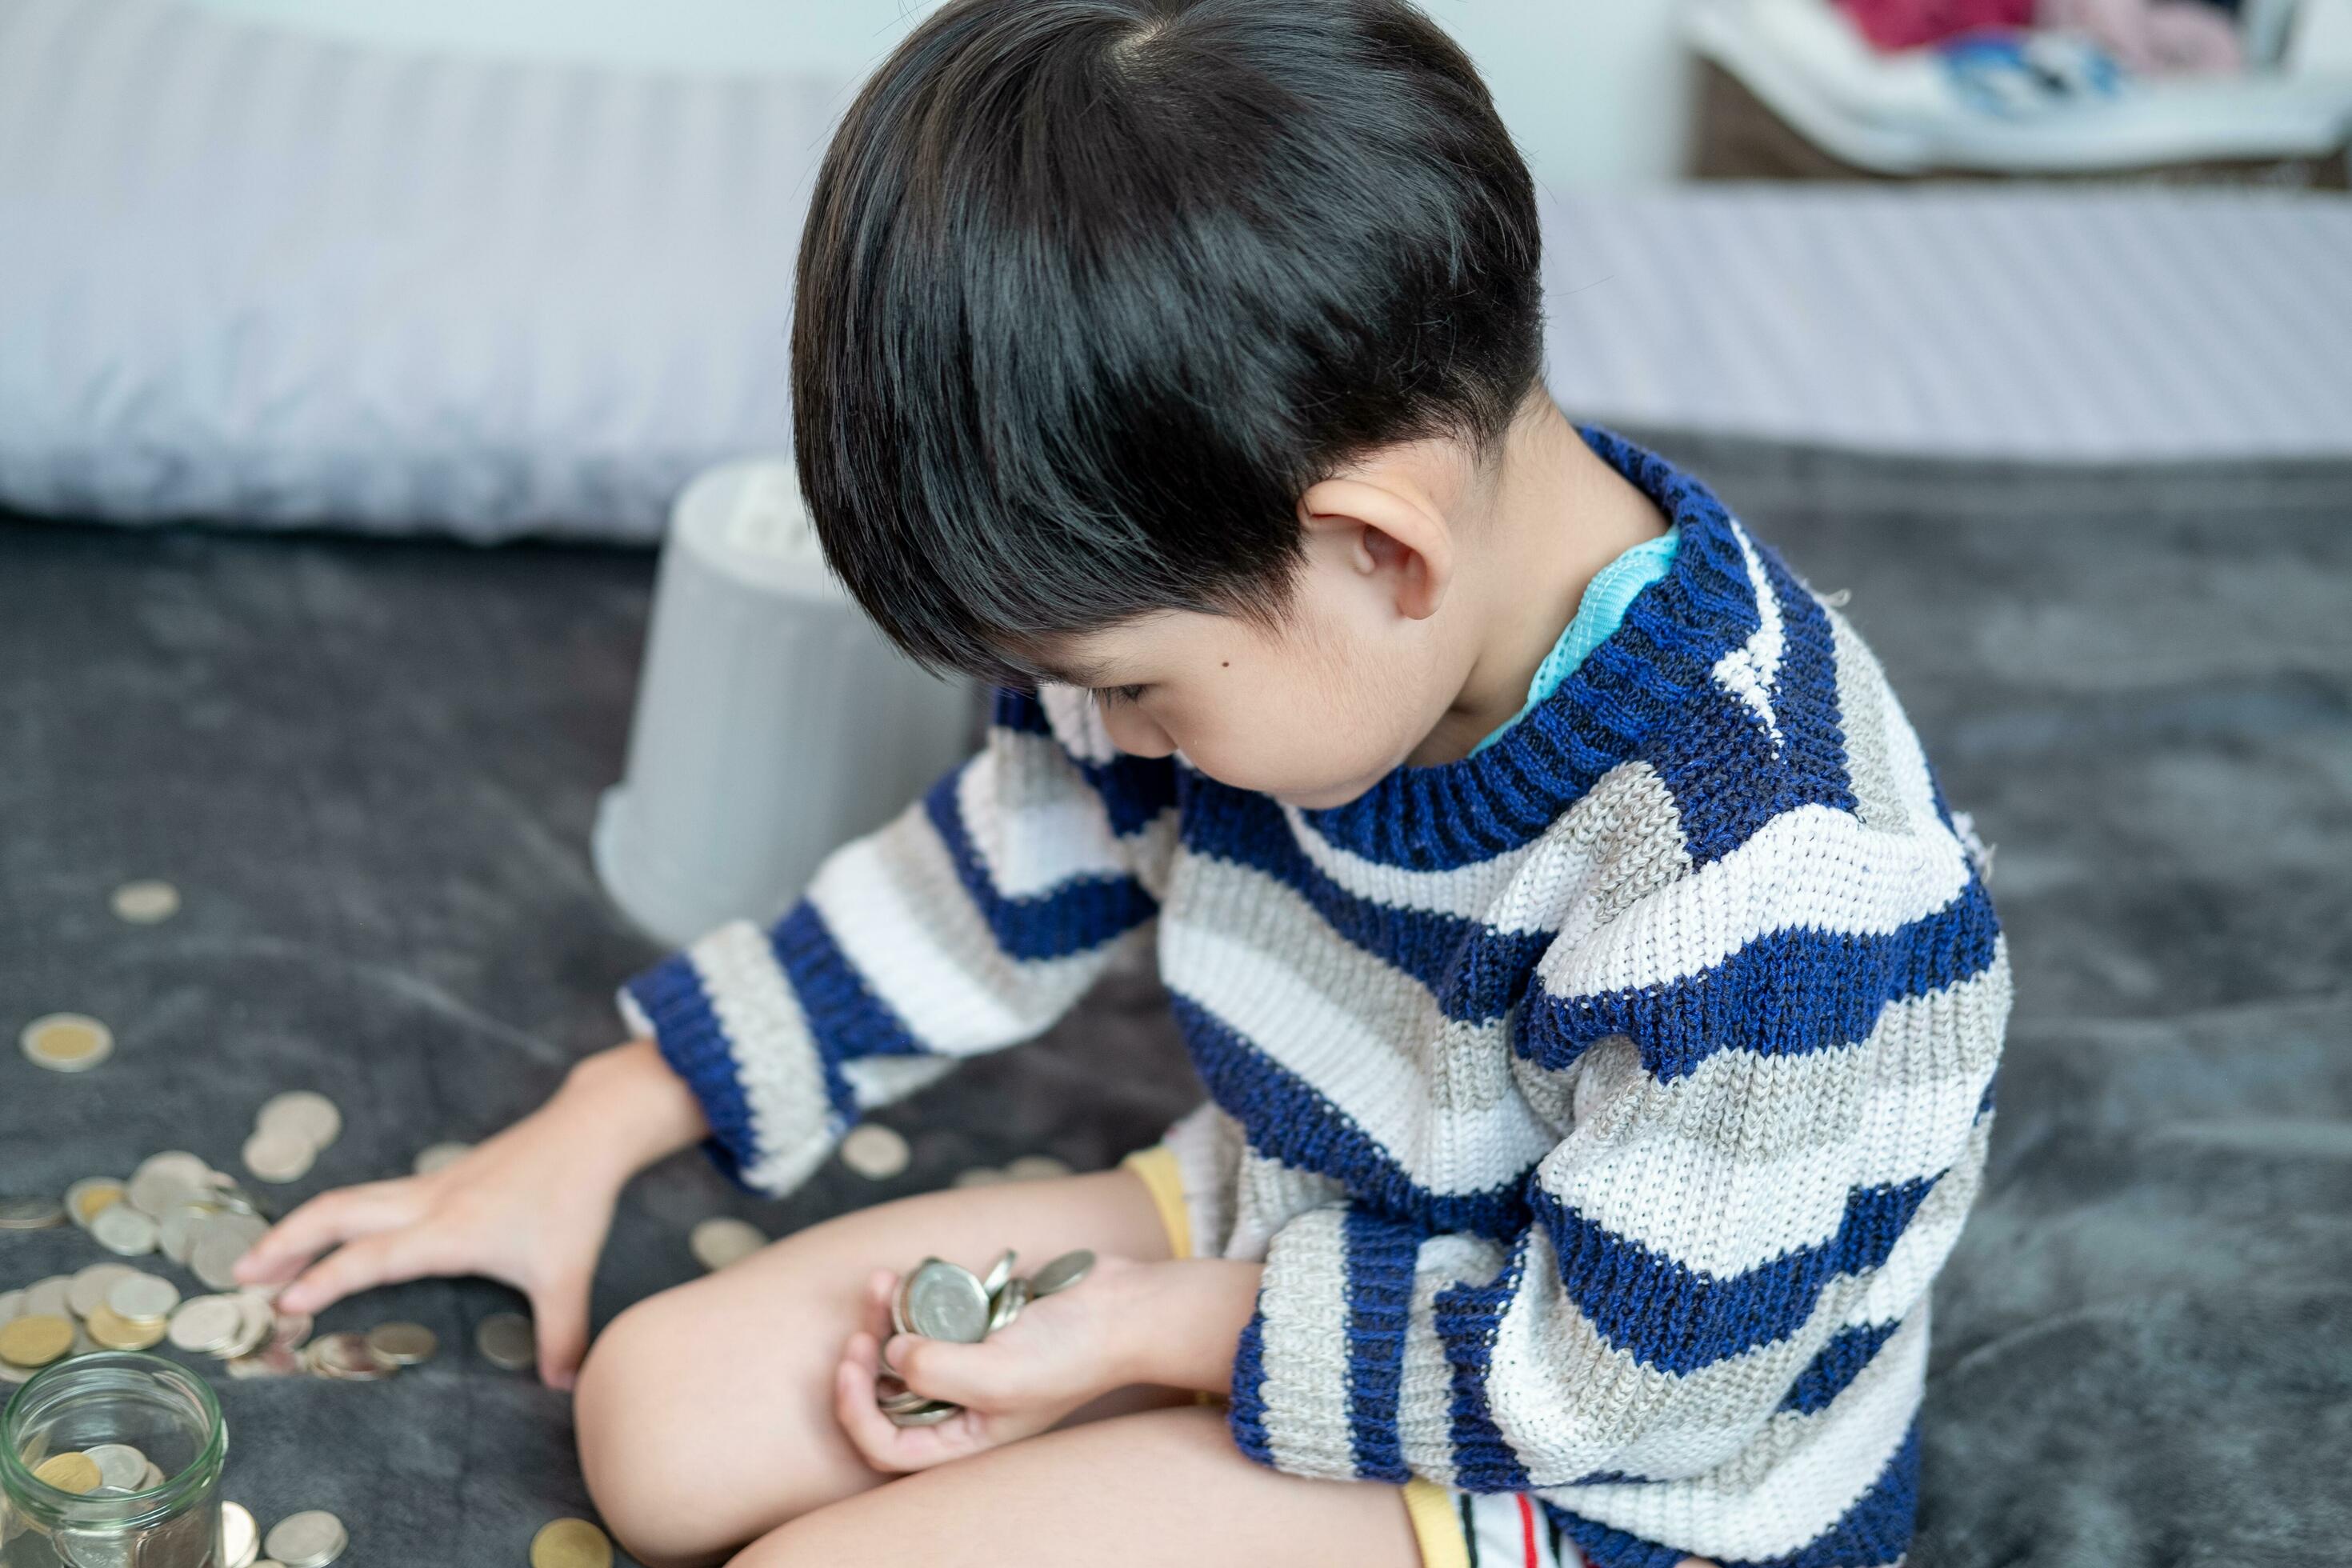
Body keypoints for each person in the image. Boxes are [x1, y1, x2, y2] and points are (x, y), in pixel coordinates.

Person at [234, 2, 2012, 1564]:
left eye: (1133, 689)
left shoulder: (1766, 880)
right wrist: (604, 1113)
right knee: (655, 1414)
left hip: (1626, 1463)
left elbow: (1609, 1387)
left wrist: (1162, 1334)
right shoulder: (1288, 603)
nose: (1111, 739)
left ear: (1377, 552)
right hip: (1307, 1207)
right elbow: (994, 871)